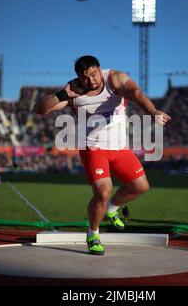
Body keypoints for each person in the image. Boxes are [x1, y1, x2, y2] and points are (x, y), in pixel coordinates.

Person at [34, 55, 171, 255]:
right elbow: (40, 109)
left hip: (120, 148)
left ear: (99, 69)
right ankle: (93, 234)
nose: (91, 81)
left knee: (141, 187)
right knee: (103, 191)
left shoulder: (114, 79)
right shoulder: (73, 91)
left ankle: (112, 208)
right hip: (93, 148)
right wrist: (63, 94)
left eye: (94, 74)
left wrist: (152, 111)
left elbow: (134, 92)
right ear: (79, 78)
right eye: (85, 77)